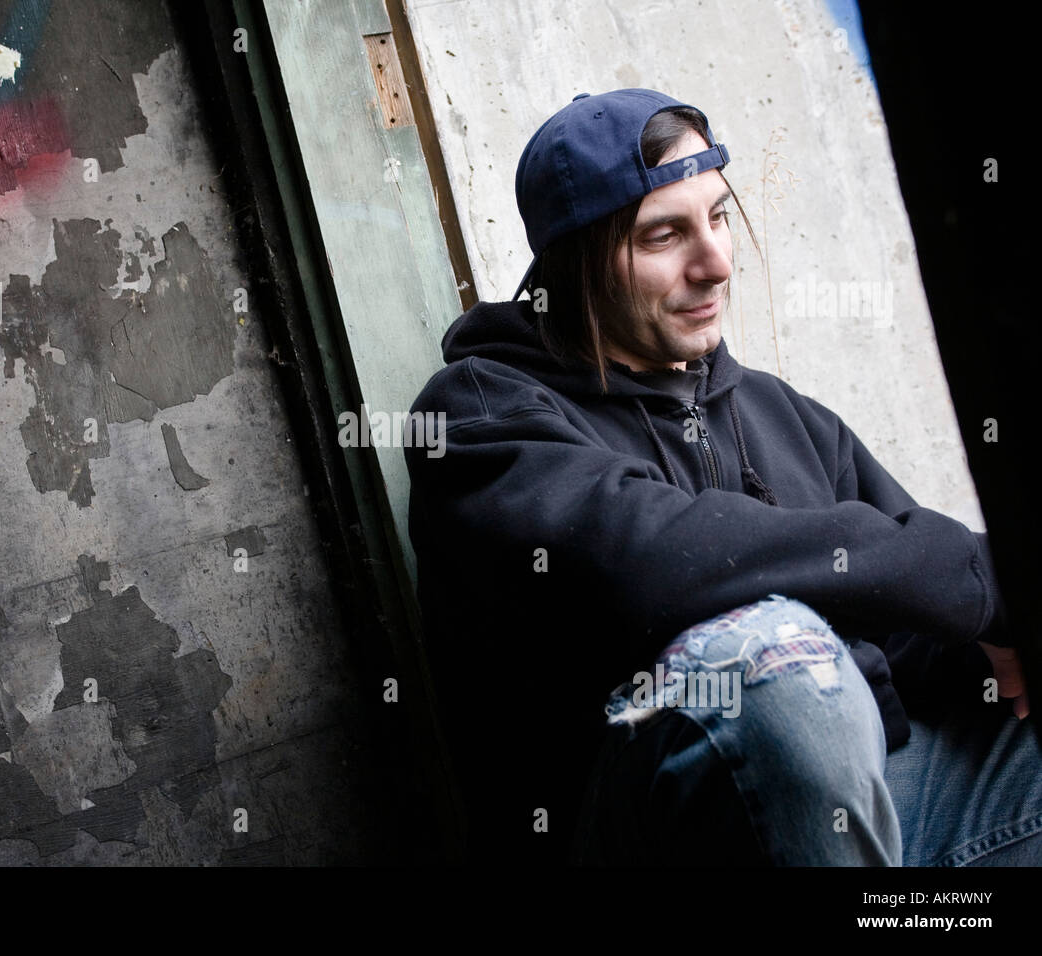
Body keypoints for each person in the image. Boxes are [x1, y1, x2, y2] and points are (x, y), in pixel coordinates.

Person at [403, 89, 1042, 866]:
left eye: (719, 217)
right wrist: (974, 572)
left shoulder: (782, 413)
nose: (715, 263)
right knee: (765, 660)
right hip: (642, 836)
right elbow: (654, 565)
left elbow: (915, 630)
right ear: (573, 265)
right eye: (665, 235)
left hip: (873, 810)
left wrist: (987, 633)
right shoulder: (480, 416)